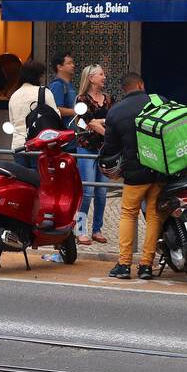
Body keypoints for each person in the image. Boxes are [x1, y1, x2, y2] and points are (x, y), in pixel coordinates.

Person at [97, 71, 170, 280]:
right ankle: (147, 265)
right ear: (141, 85)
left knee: (129, 214)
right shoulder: (160, 102)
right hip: (159, 171)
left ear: (123, 90)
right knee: (154, 215)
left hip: (135, 174)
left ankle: (124, 264)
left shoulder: (115, 112)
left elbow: (111, 148)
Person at [74, 64, 112, 245]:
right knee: (87, 191)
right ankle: (80, 230)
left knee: (102, 193)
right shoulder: (81, 99)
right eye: (101, 74)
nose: (104, 77)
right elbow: (90, 123)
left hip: (104, 150)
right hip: (87, 148)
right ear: (91, 78)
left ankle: (97, 229)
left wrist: (100, 121)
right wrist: (106, 130)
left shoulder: (108, 99)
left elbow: (113, 120)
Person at [8, 59, 57, 169]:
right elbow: (56, 117)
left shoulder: (14, 95)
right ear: (38, 76)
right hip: (38, 145)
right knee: (40, 181)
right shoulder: (44, 92)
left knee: (23, 182)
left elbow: (12, 122)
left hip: (18, 145)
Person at [47, 53, 77, 120]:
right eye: (69, 63)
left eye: (72, 63)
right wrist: (75, 112)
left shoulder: (70, 85)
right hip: (62, 128)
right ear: (59, 67)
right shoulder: (57, 85)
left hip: (71, 128)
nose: (73, 66)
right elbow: (55, 109)